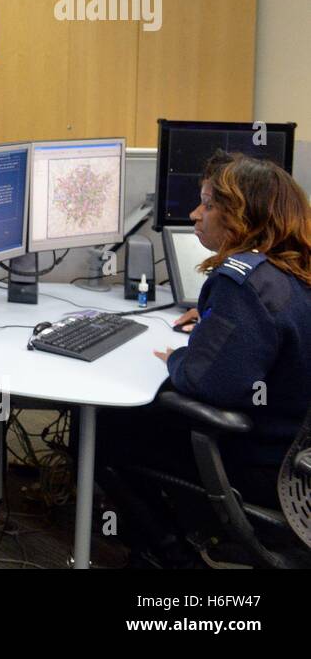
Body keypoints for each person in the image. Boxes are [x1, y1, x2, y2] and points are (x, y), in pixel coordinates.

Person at [96, 152, 311, 563]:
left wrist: (179, 357)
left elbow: (208, 383)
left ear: (242, 217)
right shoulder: (296, 270)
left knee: (110, 428)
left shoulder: (241, 282)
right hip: (298, 456)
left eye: (209, 204)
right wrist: (215, 323)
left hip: (265, 467)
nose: (195, 214)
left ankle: (172, 557)